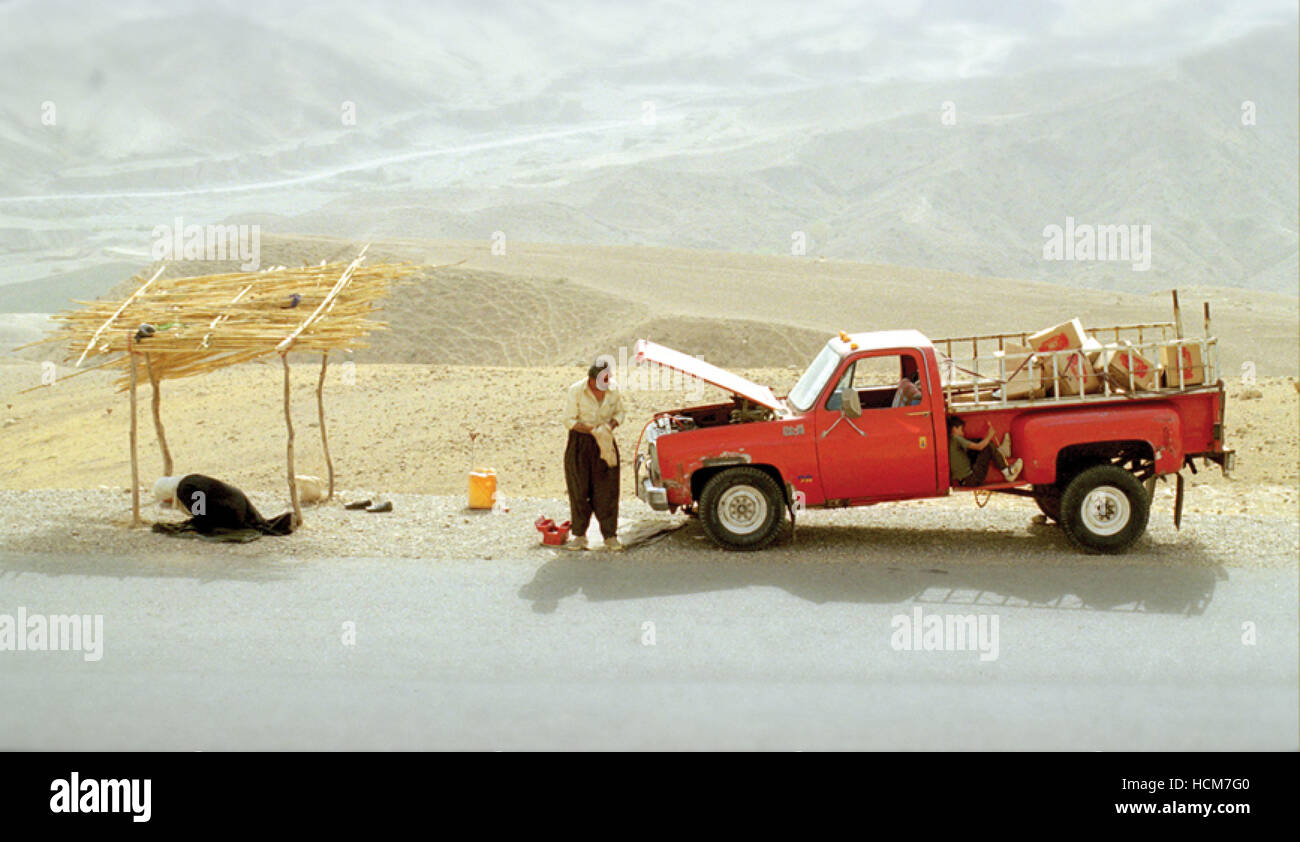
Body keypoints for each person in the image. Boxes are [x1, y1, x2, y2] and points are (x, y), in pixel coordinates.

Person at [561, 357, 627, 551]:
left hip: (605, 442)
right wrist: (591, 429)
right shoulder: (576, 391)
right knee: (579, 490)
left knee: (607, 489)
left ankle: (610, 536)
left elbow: (620, 414)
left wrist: (609, 426)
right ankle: (580, 536)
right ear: (591, 380)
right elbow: (569, 420)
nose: (605, 385)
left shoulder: (613, 390)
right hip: (580, 443)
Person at [947, 416, 1022, 486]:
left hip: (965, 481)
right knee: (987, 444)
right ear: (954, 429)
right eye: (961, 429)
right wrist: (990, 435)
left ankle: (999, 452)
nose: (963, 433)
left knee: (979, 441)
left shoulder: (950, 441)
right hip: (972, 479)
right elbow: (979, 447)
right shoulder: (955, 438)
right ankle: (1007, 472)